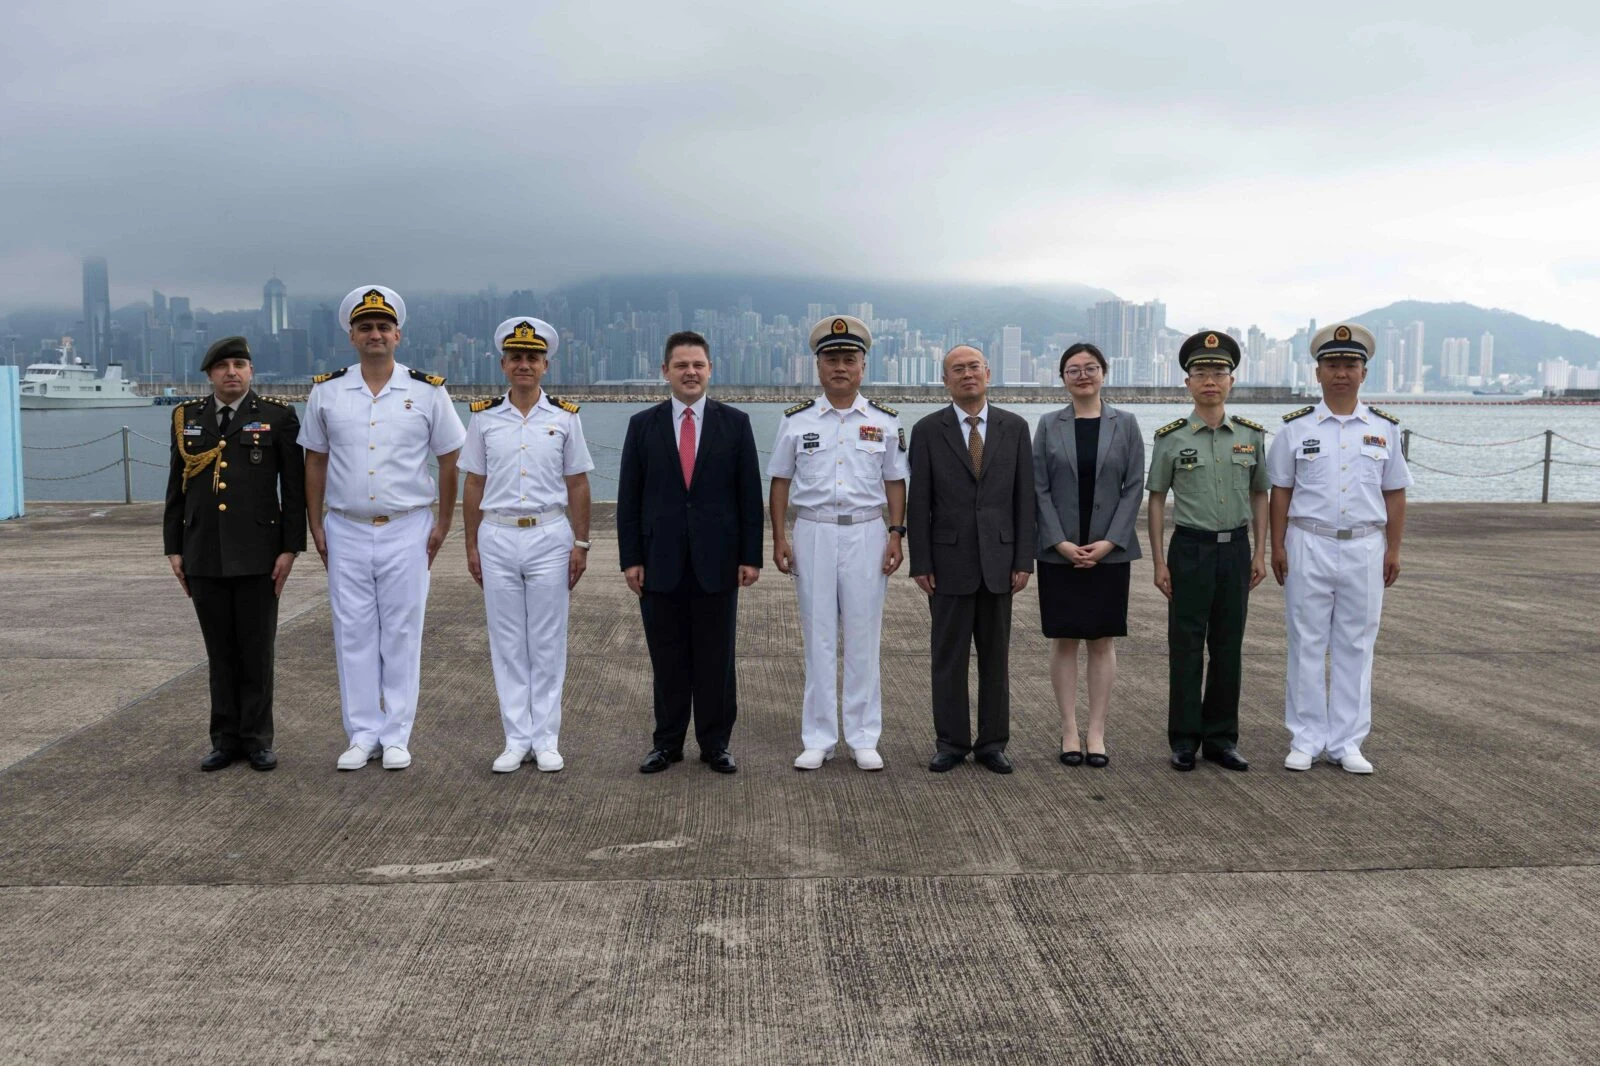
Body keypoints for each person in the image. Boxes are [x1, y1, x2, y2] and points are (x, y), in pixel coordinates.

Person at [301, 286, 466, 772]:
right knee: (351, 633)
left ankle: (396, 734)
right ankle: (362, 733)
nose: (375, 334)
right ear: (352, 336)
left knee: (401, 632)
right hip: (345, 526)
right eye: (365, 327)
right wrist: (315, 524)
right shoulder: (327, 391)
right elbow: (315, 460)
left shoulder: (427, 391)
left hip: (407, 526)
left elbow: (450, 458)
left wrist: (444, 522)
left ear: (398, 335)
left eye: (383, 327)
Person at [1268, 323, 1411, 775]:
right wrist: (1276, 546)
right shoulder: (1295, 428)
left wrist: (1394, 549)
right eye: (1332, 365)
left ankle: (1348, 742)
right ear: (1318, 373)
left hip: (1365, 545)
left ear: (1364, 373)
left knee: (1356, 644)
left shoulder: (1384, 429)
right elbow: (1280, 491)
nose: (1341, 373)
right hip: (1308, 540)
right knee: (1306, 641)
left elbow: (1395, 492)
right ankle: (1306, 738)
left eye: (1350, 365)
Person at [617, 331, 762, 774]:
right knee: (667, 658)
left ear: (710, 370)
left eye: (698, 365)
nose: (690, 372)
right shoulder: (642, 425)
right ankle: (667, 743)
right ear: (665, 371)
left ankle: (716, 744)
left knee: (717, 659)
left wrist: (751, 556)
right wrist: (630, 559)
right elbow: (629, 498)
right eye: (681, 365)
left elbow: (749, 495)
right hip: (659, 562)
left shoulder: (735, 423)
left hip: (718, 563)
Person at [769, 315, 907, 772]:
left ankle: (864, 737)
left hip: (867, 532)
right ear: (818, 366)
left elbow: (895, 482)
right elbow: (780, 480)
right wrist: (779, 536)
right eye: (832, 359)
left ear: (863, 366)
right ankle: (819, 738)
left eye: (849, 359)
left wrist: (896, 533)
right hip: (814, 531)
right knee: (819, 637)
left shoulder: (884, 422)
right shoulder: (796, 421)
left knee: (864, 638)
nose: (840, 367)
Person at [163, 336, 305, 772]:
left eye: (239, 365)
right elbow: (176, 488)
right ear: (209, 374)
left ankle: (258, 740)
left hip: (259, 554)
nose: (232, 372)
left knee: (256, 651)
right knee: (220, 652)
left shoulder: (277, 416)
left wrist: (290, 548)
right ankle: (224, 740)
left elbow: (294, 489)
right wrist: (173, 547)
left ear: (251, 371)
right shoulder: (188, 417)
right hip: (203, 552)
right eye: (223, 366)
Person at [461, 317, 594, 774]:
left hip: (549, 534)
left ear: (545, 366)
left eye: (532, 358)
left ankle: (547, 738)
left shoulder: (565, 417)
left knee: (547, 640)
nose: (524, 364)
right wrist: (471, 545)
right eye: (516, 357)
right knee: (507, 641)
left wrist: (581, 543)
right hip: (496, 534)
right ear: (503, 364)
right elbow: (473, 483)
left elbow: (578, 484)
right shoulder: (483, 417)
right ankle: (516, 739)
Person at [907, 345, 1035, 774]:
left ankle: (992, 744)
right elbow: (919, 502)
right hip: (947, 564)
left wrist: (1023, 559)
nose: (967, 375)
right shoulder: (928, 429)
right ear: (945, 380)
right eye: (957, 369)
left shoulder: (1014, 427)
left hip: (1000, 561)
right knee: (948, 659)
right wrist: (921, 562)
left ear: (988, 373)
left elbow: (1025, 499)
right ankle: (951, 742)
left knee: (996, 659)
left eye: (974, 367)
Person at [1146, 331, 1268, 773]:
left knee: (1228, 647)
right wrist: (1159, 561)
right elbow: (1156, 499)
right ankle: (1183, 740)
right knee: (1186, 646)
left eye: (1219, 372)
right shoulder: (1171, 438)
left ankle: (1221, 740)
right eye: (1201, 373)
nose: (1210, 380)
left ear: (1231, 381)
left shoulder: (1250, 436)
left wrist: (1259, 553)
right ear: (1188, 383)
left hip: (1234, 550)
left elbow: (1260, 494)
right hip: (1190, 550)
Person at [1032, 342, 1144, 768]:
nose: (1083, 375)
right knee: (1064, 638)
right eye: (1074, 369)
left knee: (1101, 639)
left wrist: (1111, 541)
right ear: (1063, 378)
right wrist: (1058, 541)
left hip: (1108, 552)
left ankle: (1096, 732)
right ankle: (1068, 729)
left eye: (1090, 368)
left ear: (1104, 373)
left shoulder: (1126, 423)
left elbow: (1134, 486)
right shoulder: (1048, 424)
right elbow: (1038, 487)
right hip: (1059, 551)